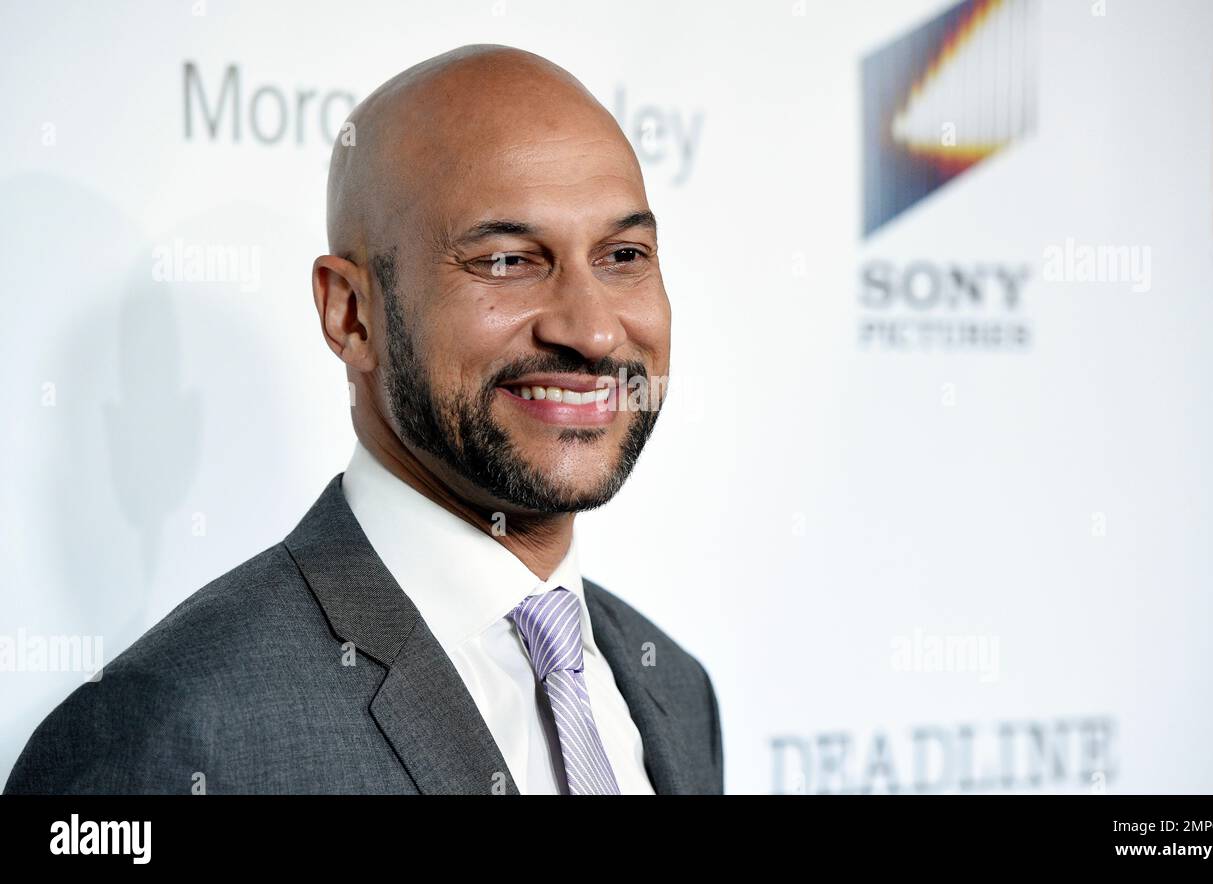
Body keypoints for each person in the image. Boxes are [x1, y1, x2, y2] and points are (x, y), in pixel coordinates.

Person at [5, 44, 722, 795]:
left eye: (623, 254)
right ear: (351, 314)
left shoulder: (672, 689)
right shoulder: (168, 733)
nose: (593, 330)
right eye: (509, 261)